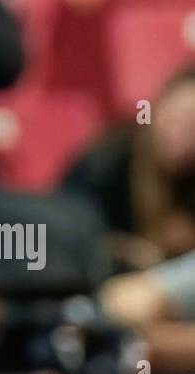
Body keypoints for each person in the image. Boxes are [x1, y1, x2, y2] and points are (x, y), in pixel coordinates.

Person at [62, 66, 195, 274]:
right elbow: (68, 234)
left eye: (191, 130)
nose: (179, 136)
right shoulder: (108, 161)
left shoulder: (187, 182)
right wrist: (132, 252)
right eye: (177, 118)